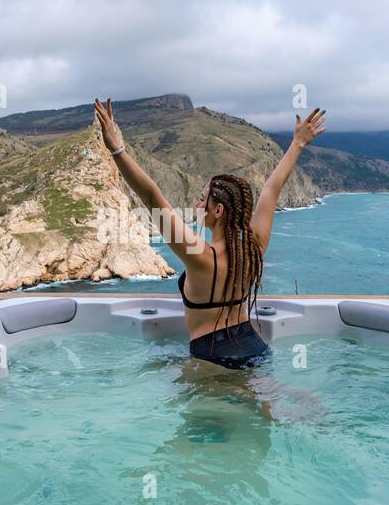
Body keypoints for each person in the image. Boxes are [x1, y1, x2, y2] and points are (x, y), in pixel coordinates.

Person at [93, 97, 327, 369]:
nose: (197, 204)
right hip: (255, 348)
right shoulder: (253, 249)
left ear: (218, 211)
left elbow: (151, 197)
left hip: (214, 358)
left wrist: (116, 149)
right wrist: (298, 143)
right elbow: (271, 190)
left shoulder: (199, 255)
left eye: (203, 199)